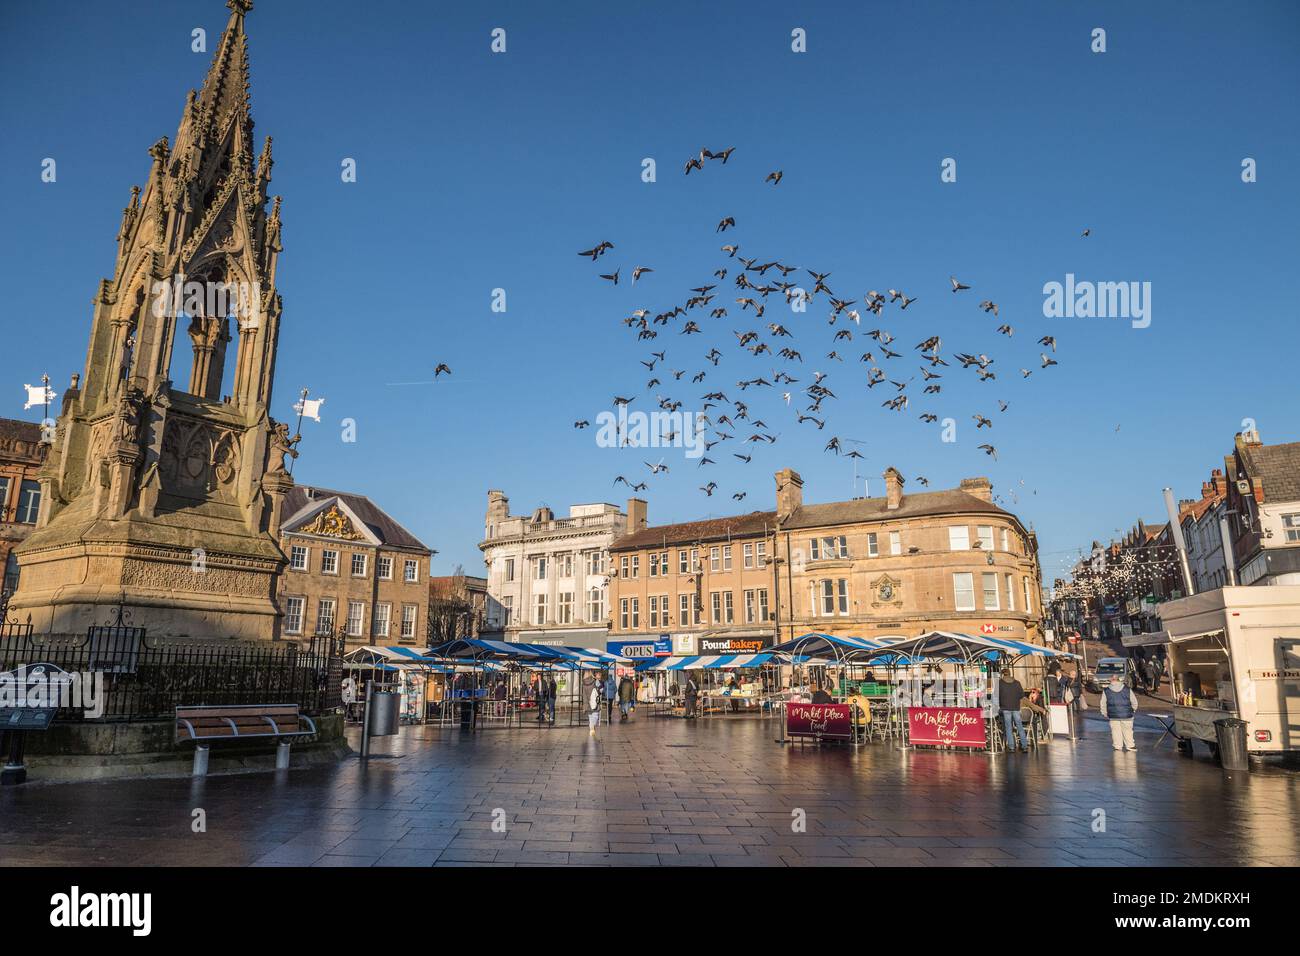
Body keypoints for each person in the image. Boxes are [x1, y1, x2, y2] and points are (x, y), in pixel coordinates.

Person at [1100, 674, 1138, 752]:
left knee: (1115, 731)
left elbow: (1103, 703)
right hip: (1127, 714)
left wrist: (1104, 713)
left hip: (1113, 714)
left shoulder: (1106, 690)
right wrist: (1133, 710)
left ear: (1111, 680)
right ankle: (1130, 745)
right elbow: (1134, 701)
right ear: (1118, 679)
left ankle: (1118, 746)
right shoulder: (1127, 689)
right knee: (1128, 730)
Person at [998, 670, 1028, 753]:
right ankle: (1024, 746)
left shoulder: (1000, 683)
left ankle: (1011, 747)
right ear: (1010, 674)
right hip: (1016, 708)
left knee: (1008, 727)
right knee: (1020, 727)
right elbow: (1021, 695)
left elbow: (996, 696)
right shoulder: (1017, 683)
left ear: (1003, 675)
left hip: (1005, 708)